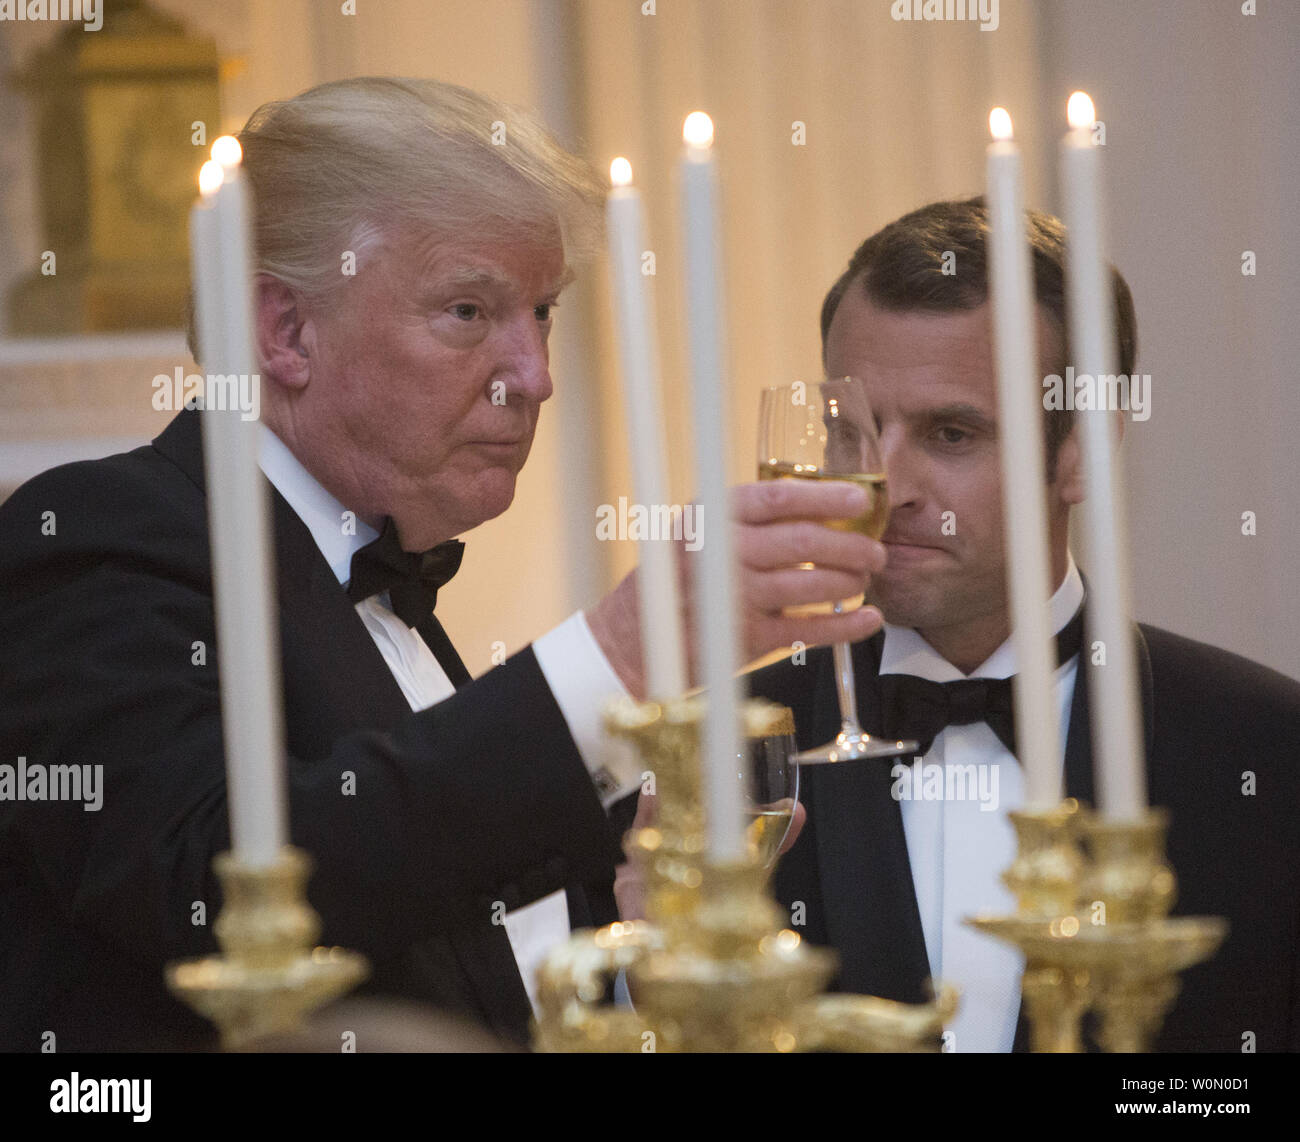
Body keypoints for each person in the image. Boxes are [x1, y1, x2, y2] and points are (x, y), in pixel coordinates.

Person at [0, 76, 882, 1051]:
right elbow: (212, 883)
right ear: (285, 331)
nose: (535, 375)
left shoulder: (383, 575)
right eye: (469, 309)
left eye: (542, 311)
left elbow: (448, 950)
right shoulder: (92, 533)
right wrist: (622, 649)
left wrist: (630, 933)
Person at [748, 197, 1300, 1052]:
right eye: (856, 431)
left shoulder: (1267, 753)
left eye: (952, 432)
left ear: (1082, 448)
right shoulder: (724, 759)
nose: (886, 486)